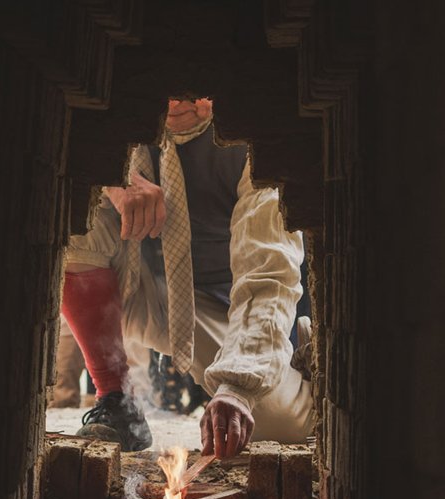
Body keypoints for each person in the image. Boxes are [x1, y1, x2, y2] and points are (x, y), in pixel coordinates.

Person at [60, 98, 313, 457]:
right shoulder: (116, 119)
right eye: (170, 90)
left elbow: (268, 273)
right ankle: (116, 397)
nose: (180, 101)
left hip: (220, 308)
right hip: (136, 286)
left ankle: (306, 366)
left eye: (196, 93)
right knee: (71, 208)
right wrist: (115, 183)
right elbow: (60, 150)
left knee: (275, 424)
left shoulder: (257, 143)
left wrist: (238, 387)